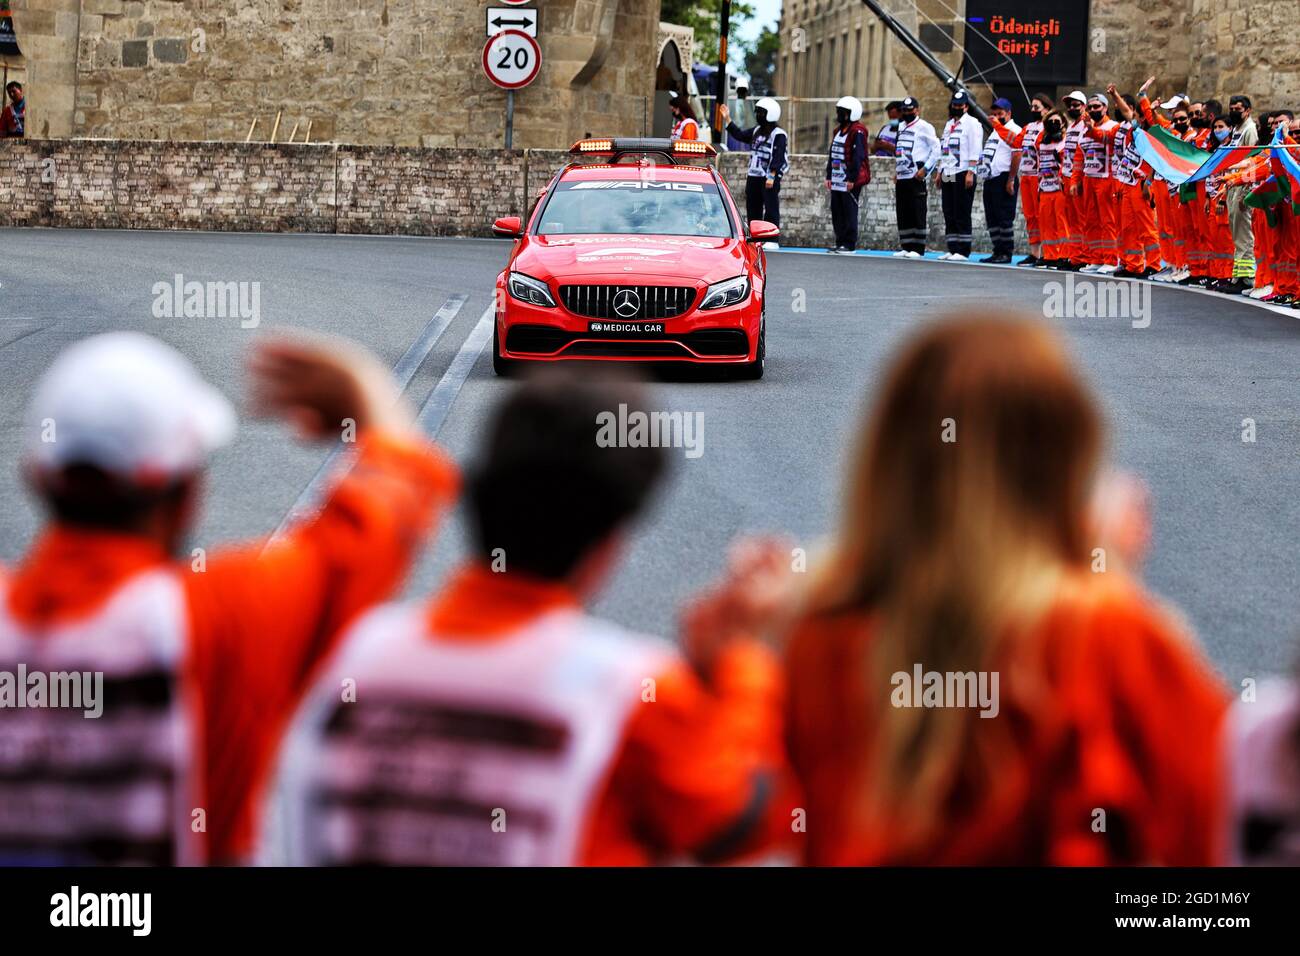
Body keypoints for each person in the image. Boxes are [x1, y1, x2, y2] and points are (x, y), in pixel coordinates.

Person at [697, 313, 1230, 866]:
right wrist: (1108, 578)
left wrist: (732, 663)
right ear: (1067, 459)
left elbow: (738, 825)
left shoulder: (817, 634)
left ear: (888, 454)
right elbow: (1221, 831)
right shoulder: (1105, 634)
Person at [268, 373, 790, 866]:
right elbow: (738, 821)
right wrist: (742, 660)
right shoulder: (630, 690)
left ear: (475, 497)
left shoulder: (337, 648)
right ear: (610, 543)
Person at [0, 332, 457, 865]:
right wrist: (366, 391)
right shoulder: (221, 615)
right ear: (188, 493)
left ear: (38, 478)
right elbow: (380, 520)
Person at [721, 98, 788, 249]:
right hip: (754, 175)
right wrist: (727, 118)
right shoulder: (757, 131)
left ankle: (771, 239)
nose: (758, 115)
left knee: (771, 208)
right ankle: (756, 238)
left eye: (761, 113)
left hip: (768, 177)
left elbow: (778, 158)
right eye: (757, 112)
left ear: (770, 114)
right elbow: (739, 135)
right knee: (753, 207)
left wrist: (771, 176)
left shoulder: (779, 134)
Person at [934, 90, 983, 261]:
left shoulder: (972, 123)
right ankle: (952, 247)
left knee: (962, 210)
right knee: (949, 210)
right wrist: (940, 171)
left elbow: (976, 149)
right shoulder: (949, 125)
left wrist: (971, 172)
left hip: (963, 171)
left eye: (959, 105)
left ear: (966, 106)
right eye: (954, 105)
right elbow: (944, 149)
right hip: (948, 171)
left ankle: (963, 250)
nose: (956, 108)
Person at [891, 95, 940, 258]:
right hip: (902, 174)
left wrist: (926, 169)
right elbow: (900, 151)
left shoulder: (924, 127)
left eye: (909, 110)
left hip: (916, 173)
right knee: (903, 211)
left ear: (917, 110)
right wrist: (897, 171)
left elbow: (936, 149)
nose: (906, 113)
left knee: (916, 210)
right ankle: (906, 245)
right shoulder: (901, 127)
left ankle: (917, 248)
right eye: (904, 110)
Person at [1076, 92, 1120, 274]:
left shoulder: (1112, 125)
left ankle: (1110, 258)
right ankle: (1096, 258)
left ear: (1105, 108)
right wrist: (1075, 180)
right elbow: (1080, 155)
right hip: (1089, 178)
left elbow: (1106, 138)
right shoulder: (1084, 128)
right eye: (1091, 107)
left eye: (1097, 107)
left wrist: (1090, 128)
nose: (1093, 110)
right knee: (1091, 221)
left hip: (1107, 178)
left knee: (1107, 220)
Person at [1222, 94, 1259, 293]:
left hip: (1242, 186)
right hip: (1233, 185)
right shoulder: (1236, 129)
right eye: (1232, 108)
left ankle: (1247, 278)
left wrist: (1246, 192)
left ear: (1247, 110)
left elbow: (1251, 161)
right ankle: (1238, 276)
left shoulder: (1249, 129)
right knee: (1237, 234)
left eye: (1238, 109)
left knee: (1244, 234)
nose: (1234, 112)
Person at [975, 97, 1019, 263]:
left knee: (1004, 217)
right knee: (992, 217)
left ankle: (1006, 252)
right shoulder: (995, 130)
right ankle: (997, 250)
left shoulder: (1013, 129)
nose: (996, 117)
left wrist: (1011, 179)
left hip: (1004, 177)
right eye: (993, 114)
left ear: (1008, 114)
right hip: (991, 178)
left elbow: (1017, 153)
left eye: (999, 113)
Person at [825, 95, 870, 253]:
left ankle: (849, 243)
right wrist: (829, 176)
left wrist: (852, 179)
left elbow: (858, 157)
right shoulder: (837, 131)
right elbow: (832, 155)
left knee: (849, 210)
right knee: (837, 210)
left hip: (849, 180)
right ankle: (840, 241)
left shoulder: (858, 131)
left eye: (842, 112)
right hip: (836, 178)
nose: (839, 116)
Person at [1059, 91, 1089, 270]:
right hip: (1068, 176)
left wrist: (1077, 179)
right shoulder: (1071, 127)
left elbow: (1082, 154)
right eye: (1070, 105)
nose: (1072, 108)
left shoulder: (1085, 125)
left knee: (1081, 220)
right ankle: (1075, 256)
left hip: (1079, 178)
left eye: (1076, 104)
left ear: (1083, 106)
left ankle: (1083, 256)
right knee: (1072, 220)